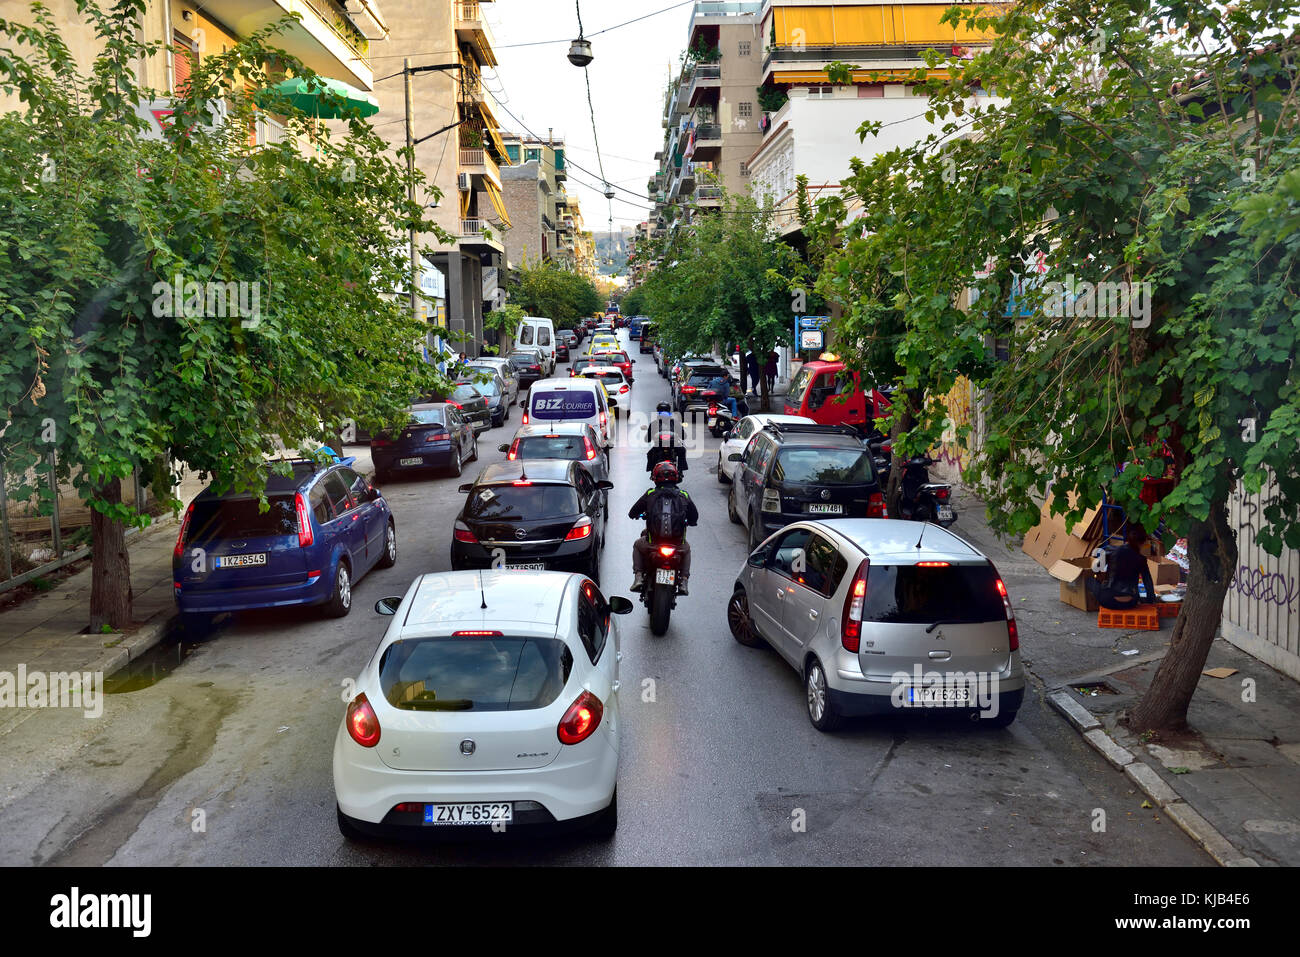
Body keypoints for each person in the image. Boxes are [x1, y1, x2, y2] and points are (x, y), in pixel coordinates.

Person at [628, 461, 698, 595]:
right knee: (687, 549)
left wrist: (638, 515)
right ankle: (683, 580)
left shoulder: (650, 494)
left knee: (637, 545)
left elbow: (632, 513)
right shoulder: (684, 495)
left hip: (652, 544)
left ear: (654, 478)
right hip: (677, 546)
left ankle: (638, 576)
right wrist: (691, 521)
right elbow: (694, 517)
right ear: (676, 477)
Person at [1088, 525, 1157, 610]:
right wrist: (1150, 600)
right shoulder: (1141, 559)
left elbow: (1096, 568)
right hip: (1130, 603)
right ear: (1141, 543)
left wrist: (1100, 576)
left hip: (1108, 600)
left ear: (1127, 540)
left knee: (1090, 580)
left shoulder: (1111, 550)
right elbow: (1147, 582)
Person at [644, 401, 688, 472]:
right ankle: (680, 470)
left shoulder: (654, 423)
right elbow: (684, 436)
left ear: (658, 411)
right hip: (673, 446)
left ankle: (652, 471)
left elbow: (647, 439)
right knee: (682, 450)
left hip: (659, 447)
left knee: (650, 454)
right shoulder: (675, 423)